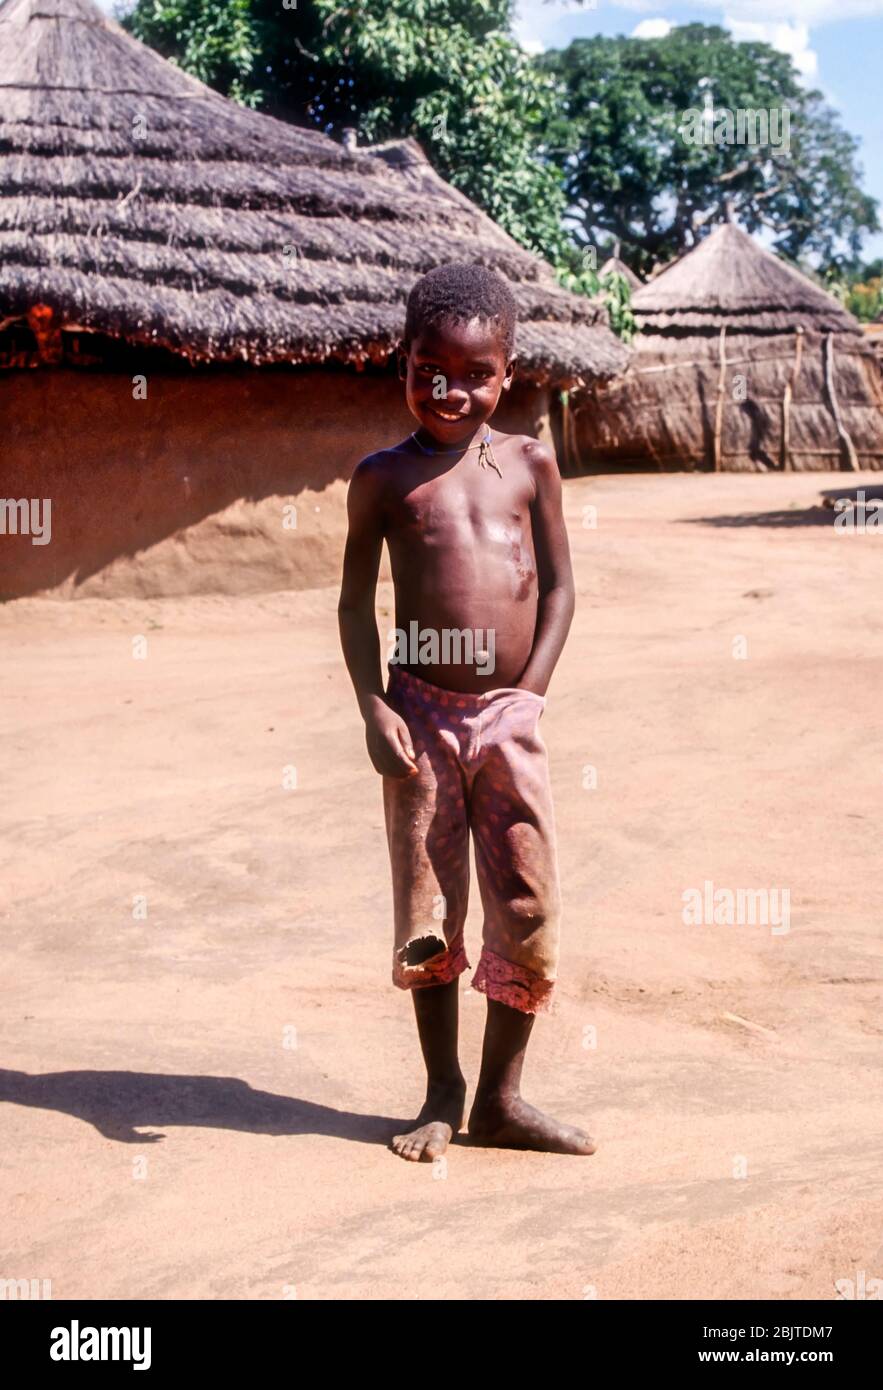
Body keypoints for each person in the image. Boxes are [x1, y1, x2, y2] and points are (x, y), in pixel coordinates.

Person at [338, 263, 594, 1161]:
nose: (449, 391)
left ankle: (501, 1097)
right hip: (419, 715)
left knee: (524, 899)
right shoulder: (380, 478)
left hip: (509, 722)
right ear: (401, 364)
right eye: (427, 369)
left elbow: (560, 589)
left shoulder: (530, 463)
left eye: (474, 372)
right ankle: (442, 1090)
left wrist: (532, 693)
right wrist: (374, 707)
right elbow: (351, 605)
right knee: (427, 905)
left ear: (508, 369)